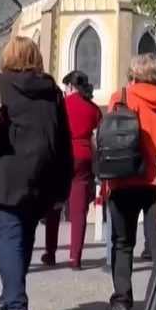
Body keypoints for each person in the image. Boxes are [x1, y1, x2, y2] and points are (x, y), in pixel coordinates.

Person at [0, 37, 73, 310]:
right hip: (40, 176)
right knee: (23, 240)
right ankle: (5, 303)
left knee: (10, 241)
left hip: (3, 175)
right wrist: (62, 186)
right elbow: (63, 140)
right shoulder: (53, 91)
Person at [104, 53, 156, 310]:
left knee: (122, 243)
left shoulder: (120, 97)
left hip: (123, 177)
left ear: (133, 73)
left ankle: (122, 301)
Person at [60, 70, 102, 269]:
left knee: (54, 206)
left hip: (63, 155)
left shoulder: (62, 105)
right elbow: (97, 137)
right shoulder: (93, 108)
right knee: (79, 211)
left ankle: (50, 251)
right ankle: (75, 257)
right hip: (84, 157)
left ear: (70, 86)